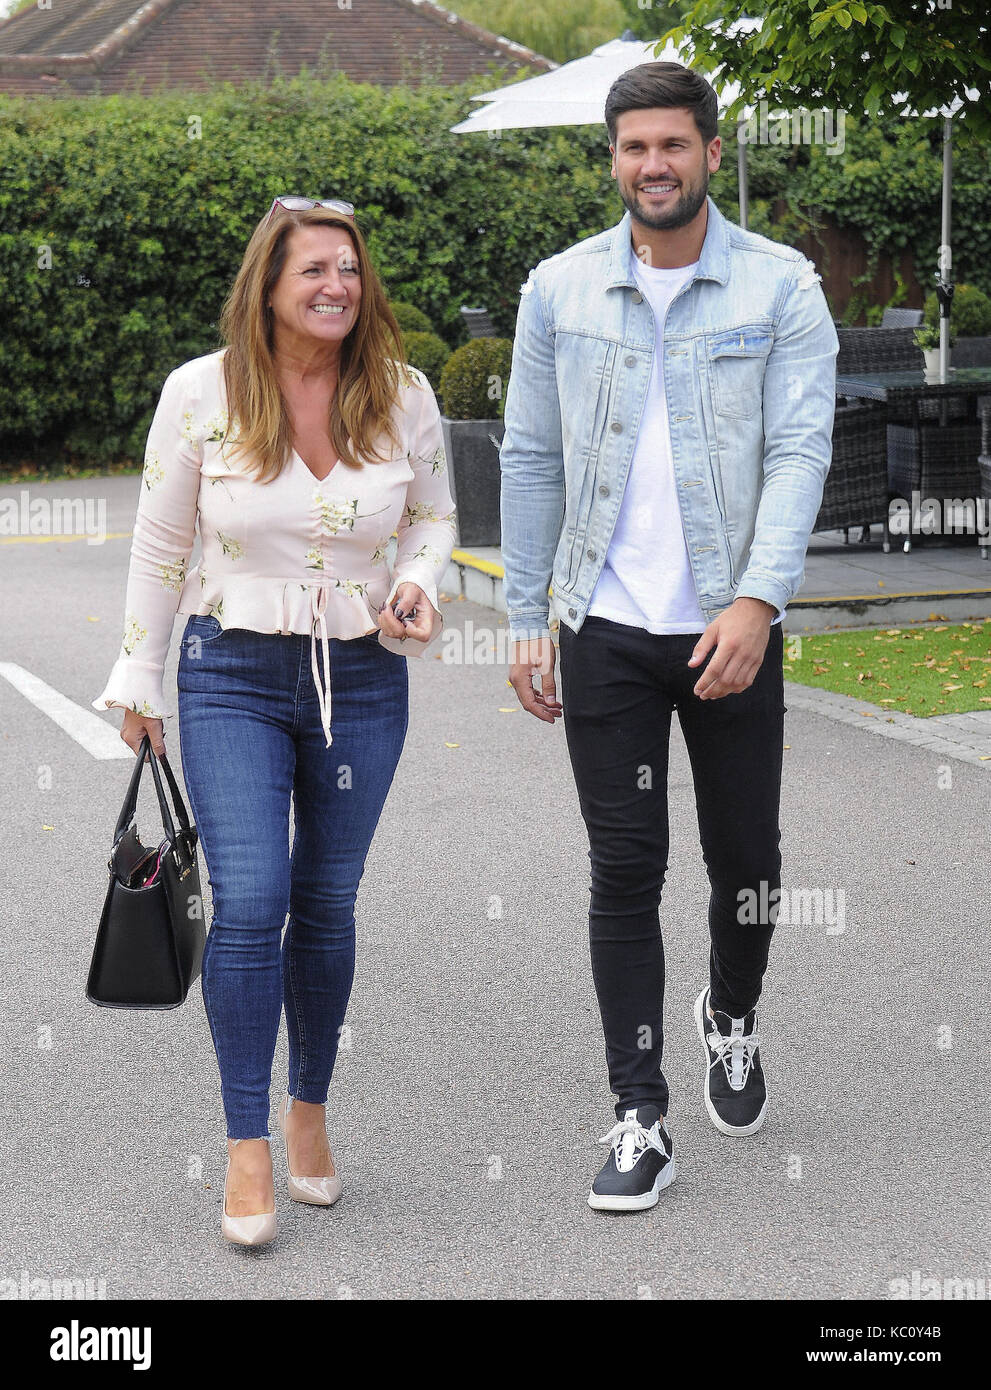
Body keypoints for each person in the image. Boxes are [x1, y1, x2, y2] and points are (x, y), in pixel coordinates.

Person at [500, 63, 838, 1211]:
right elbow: (532, 458)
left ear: (707, 151)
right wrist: (524, 614)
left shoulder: (780, 286)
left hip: (729, 628)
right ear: (612, 159)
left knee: (746, 862)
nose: (654, 165)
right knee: (623, 870)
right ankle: (637, 1112)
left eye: (674, 146)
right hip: (603, 626)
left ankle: (729, 1014)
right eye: (634, 147)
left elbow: (798, 451)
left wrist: (758, 599)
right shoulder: (557, 290)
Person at [93, 195, 456, 1245]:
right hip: (230, 670)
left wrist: (420, 580)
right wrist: (138, 678)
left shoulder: (401, 393)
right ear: (269, 283)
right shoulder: (199, 393)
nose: (336, 285)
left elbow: (433, 517)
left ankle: (311, 1115)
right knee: (249, 901)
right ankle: (244, 1140)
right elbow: (160, 543)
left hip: (363, 673)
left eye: (348, 268)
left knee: (326, 901)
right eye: (313, 270)